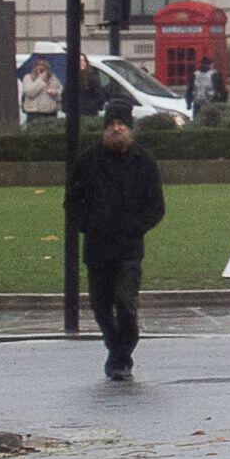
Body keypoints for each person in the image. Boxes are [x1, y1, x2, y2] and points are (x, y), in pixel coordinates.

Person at [71, 113, 166, 379]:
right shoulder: (87, 161)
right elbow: (72, 201)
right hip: (97, 245)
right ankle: (115, 346)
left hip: (128, 247)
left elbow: (156, 207)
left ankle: (121, 357)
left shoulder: (144, 162)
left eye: (121, 124)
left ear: (130, 129)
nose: (116, 128)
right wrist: (86, 225)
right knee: (100, 304)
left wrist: (135, 228)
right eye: (111, 124)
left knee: (125, 301)